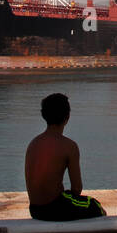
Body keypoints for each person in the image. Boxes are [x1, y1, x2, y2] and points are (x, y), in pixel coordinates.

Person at [25, 93, 105, 221]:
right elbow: (77, 188)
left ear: (44, 115)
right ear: (67, 117)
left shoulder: (33, 143)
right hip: (55, 209)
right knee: (95, 205)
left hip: (35, 210)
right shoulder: (69, 146)